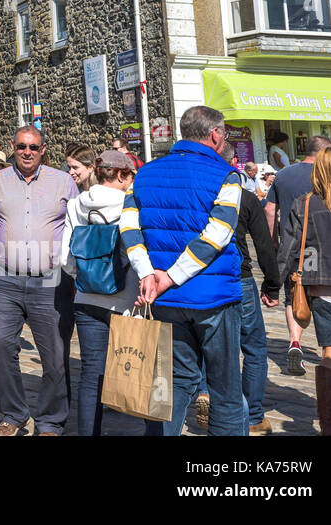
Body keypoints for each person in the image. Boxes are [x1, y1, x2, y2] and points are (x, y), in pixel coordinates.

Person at [119, 105, 245, 437]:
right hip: (211, 296)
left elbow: (129, 228)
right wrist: (171, 276)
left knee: (173, 384)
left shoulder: (145, 173)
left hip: (163, 297)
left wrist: (149, 274)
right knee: (226, 390)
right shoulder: (226, 175)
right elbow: (217, 235)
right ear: (215, 135)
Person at [0, 126, 79, 436]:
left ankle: (51, 421)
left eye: (34, 147)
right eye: (22, 146)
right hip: (3, 280)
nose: (27, 151)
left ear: (43, 150)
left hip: (51, 282)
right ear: (13, 148)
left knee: (55, 356)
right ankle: (13, 414)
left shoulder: (63, 182)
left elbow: (79, 228)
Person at [278, 146, 331, 435]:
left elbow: (288, 250)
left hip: (324, 290)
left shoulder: (304, 204)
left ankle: (328, 426)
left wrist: (276, 285)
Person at [58, 149, 140, 436]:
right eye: (130, 174)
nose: (132, 180)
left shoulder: (76, 204)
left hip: (86, 298)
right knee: (141, 368)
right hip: (129, 299)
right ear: (120, 174)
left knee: (92, 372)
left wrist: (86, 277)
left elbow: (65, 260)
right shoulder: (131, 202)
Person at [203, 143, 281, 435]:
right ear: (234, 162)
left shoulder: (201, 192)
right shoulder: (246, 198)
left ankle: (207, 396)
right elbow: (264, 245)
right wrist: (272, 285)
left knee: (206, 343)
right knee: (254, 346)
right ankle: (253, 415)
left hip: (201, 275)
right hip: (239, 276)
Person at [267, 135, 331, 375]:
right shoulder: (327, 175)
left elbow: (270, 210)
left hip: (292, 245)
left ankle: (295, 343)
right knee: (326, 299)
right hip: (324, 248)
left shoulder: (283, 175)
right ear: (324, 152)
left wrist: (273, 240)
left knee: (292, 296)